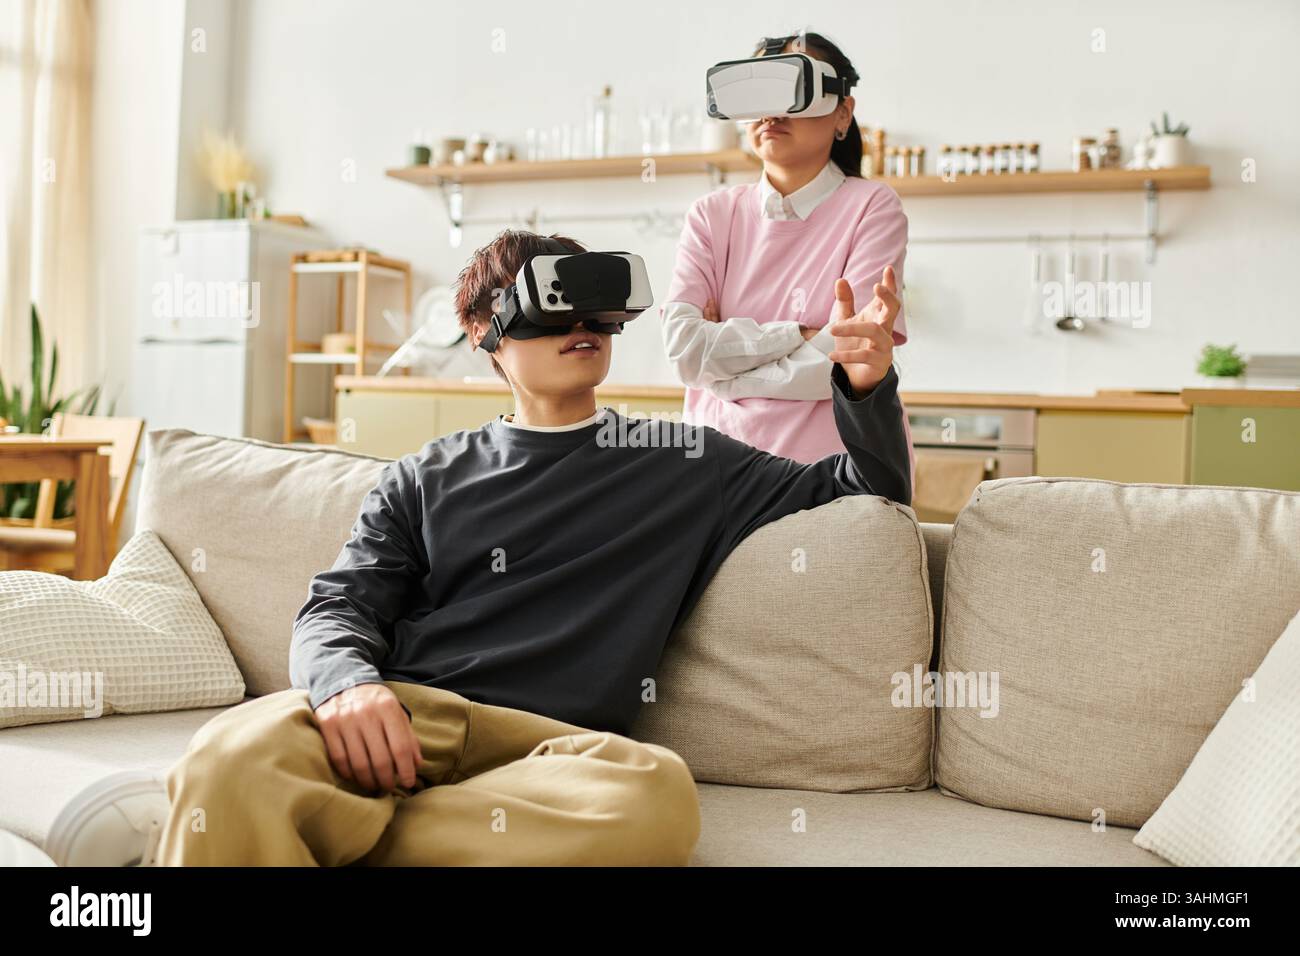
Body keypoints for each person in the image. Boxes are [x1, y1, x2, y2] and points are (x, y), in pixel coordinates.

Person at [57, 229, 910, 867]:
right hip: (402, 717)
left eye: (595, 303)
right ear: (484, 331)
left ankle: (327, 835)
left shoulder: (685, 461)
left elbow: (864, 485)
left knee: (652, 800)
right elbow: (339, 606)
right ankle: (280, 813)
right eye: (553, 302)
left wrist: (864, 385)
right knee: (228, 756)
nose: (583, 322)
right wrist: (348, 688)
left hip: (551, 748)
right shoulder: (423, 475)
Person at [662, 30, 915, 476]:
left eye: (791, 90)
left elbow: (840, 362)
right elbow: (685, 352)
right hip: (714, 477)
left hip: (830, 477)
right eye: (759, 92)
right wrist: (797, 333)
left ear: (843, 113)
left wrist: (722, 369)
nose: (772, 113)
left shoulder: (873, 206)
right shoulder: (710, 214)